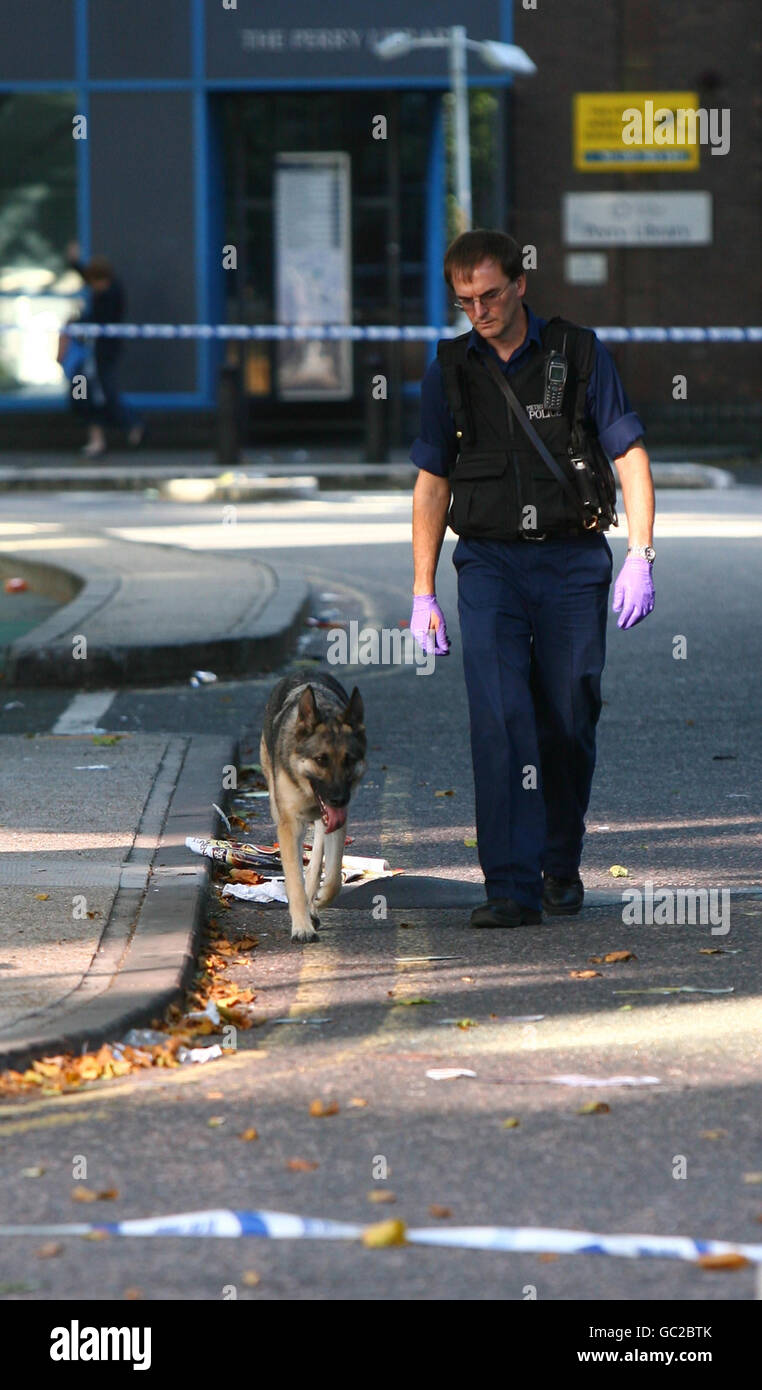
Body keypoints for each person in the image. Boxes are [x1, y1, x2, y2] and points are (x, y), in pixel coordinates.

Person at [409, 229, 655, 928]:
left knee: (569, 715)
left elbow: (628, 451)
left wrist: (640, 553)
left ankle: (558, 858)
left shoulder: (578, 353)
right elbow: (432, 482)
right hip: (488, 564)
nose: (479, 311)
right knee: (500, 718)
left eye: (489, 295)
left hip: (572, 562)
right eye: (465, 301)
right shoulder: (449, 369)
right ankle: (511, 886)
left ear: (520, 284)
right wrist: (423, 590)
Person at [65, 241, 144, 458]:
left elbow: (100, 321)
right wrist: (74, 263)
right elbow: (87, 276)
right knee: (91, 392)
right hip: (93, 353)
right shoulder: (105, 288)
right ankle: (115, 431)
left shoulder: (111, 295)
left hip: (102, 352)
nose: (92, 287)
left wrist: (79, 322)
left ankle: (128, 425)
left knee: (100, 392)